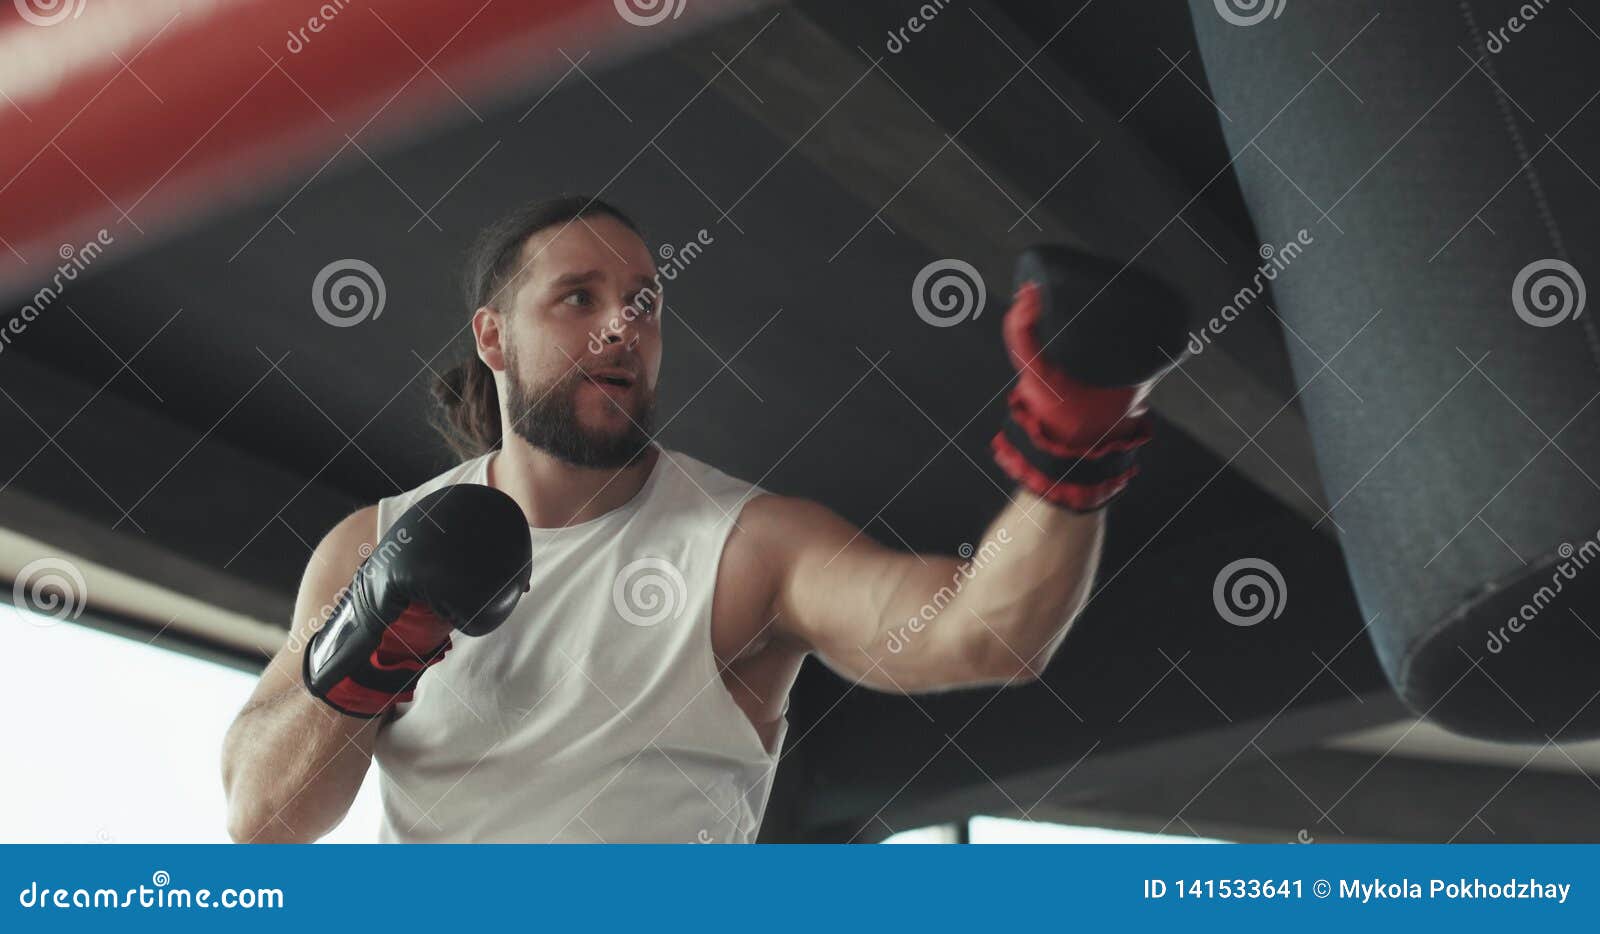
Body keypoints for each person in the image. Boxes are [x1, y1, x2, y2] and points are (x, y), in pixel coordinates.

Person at [219, 195, 1183, 843]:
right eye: (577, 298)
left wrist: (1076, 437)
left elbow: (986, 634)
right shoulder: (370, 541)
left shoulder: (747, 549)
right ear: (492, 337)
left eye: (643, 304)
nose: (621, 327)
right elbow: (265, 816)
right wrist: (368, 653)